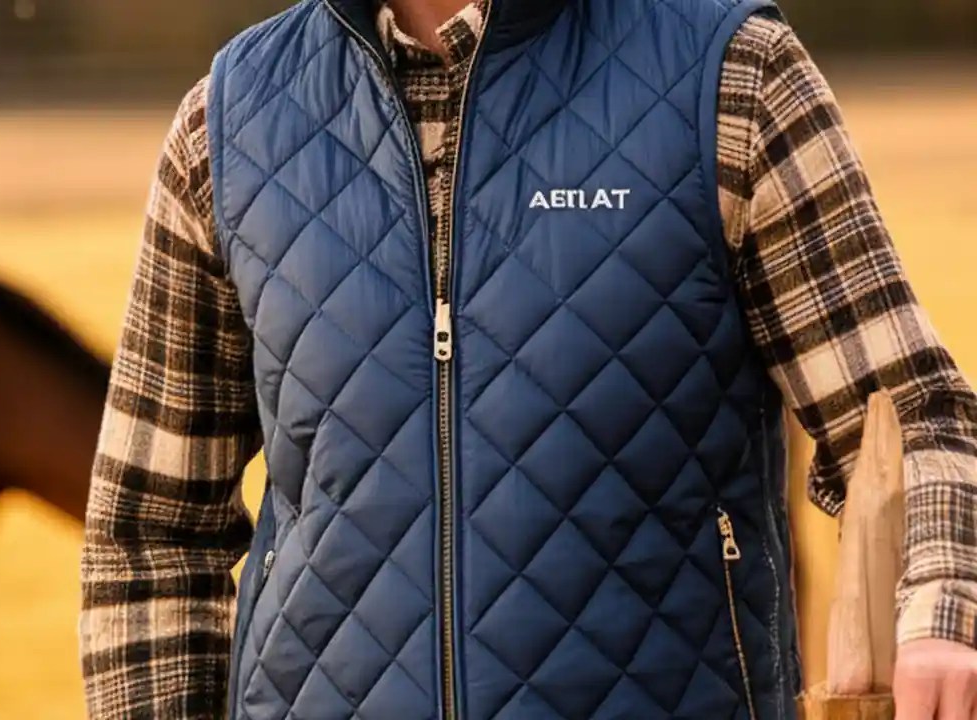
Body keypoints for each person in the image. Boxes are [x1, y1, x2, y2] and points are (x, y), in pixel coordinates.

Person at [80, 0, 977, 717]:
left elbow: (916, 421)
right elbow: (149, 542)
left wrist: (944, 618)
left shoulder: (735, 77)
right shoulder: (225, 127)